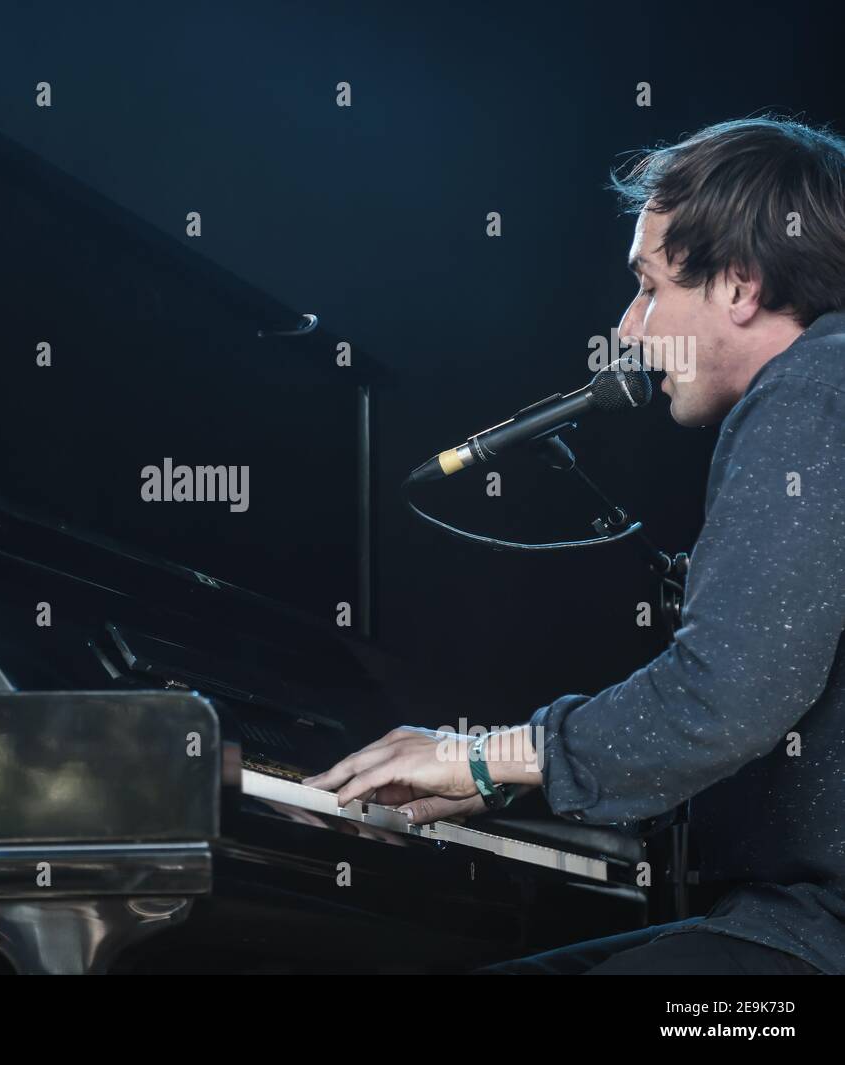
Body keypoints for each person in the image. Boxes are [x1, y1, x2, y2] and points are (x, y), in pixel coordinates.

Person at [303, 115, 845, 975]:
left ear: (740, 285)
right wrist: (514, 776)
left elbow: (726, 695)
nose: (629, 329)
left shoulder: (811, 393)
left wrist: (476, 759)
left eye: (648, 286)